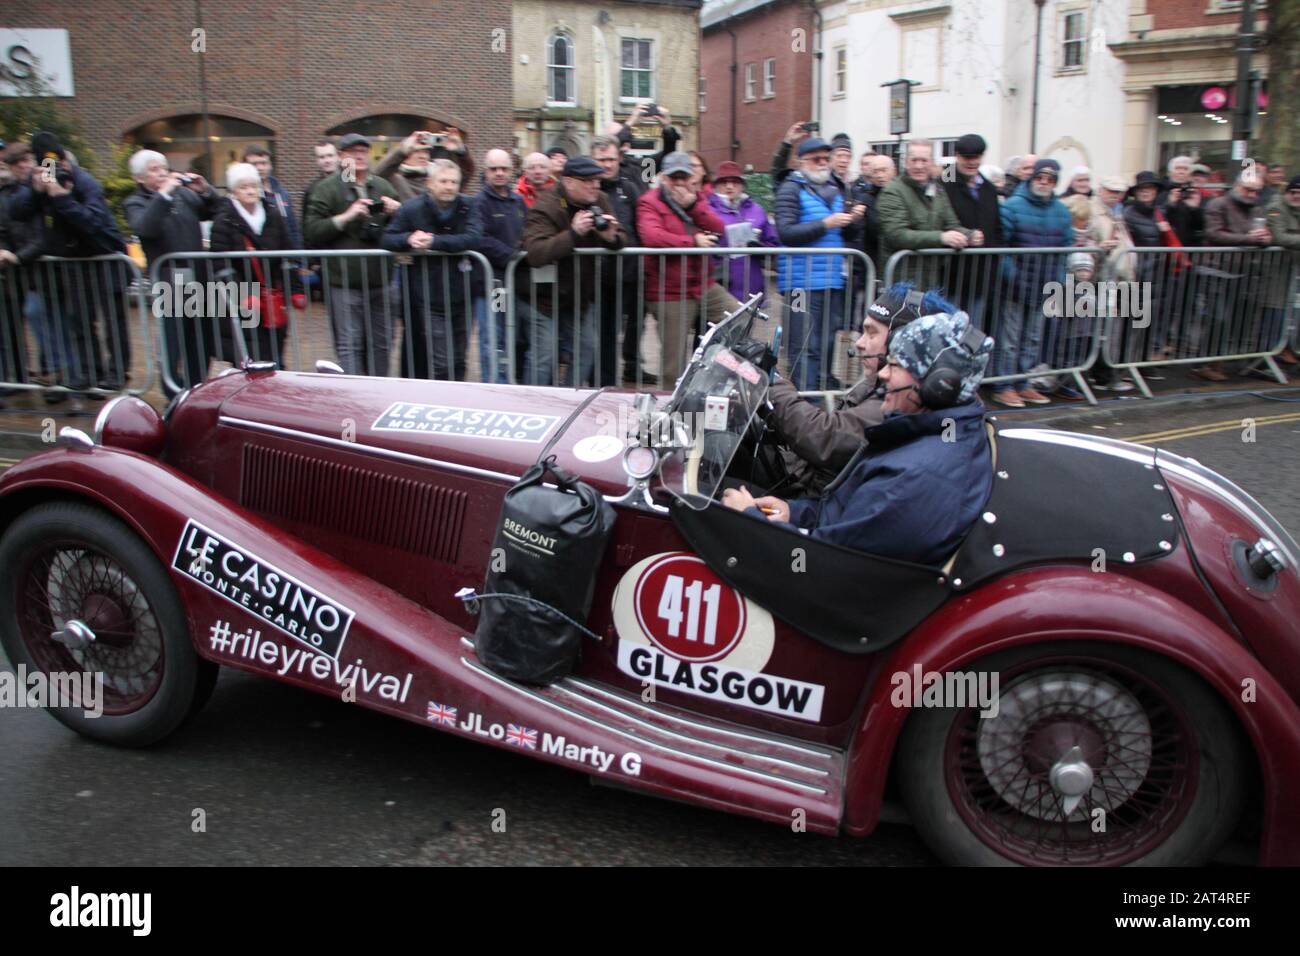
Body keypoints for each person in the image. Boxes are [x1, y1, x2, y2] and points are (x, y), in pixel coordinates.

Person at [722, 309, 993, 566]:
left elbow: (826, 563)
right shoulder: (924, 432)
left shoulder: (912, 477)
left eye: (896, 366)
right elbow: (843, 518)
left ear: (938, 387)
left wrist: (750, 518)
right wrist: (794, 512)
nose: (883, 374)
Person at [765, 282, 957, 497]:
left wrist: (771, 382)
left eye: (872, 333)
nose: (860, 343)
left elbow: (825, 437)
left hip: (817, 501)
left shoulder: (900, 399)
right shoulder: (878, 381)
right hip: (812, 484)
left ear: (903, 341)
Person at [5, 131, 131, 397]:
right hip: (74, 262)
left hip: (105, 257)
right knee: (81, 321)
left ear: (65, 161)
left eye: (57, 163)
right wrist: (36, 191)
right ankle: (90, 373)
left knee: (112, 322)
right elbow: (16, 212)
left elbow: (92, 223)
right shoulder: (38, 180)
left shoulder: (84, 182)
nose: (54, 169)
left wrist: (61, 196)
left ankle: (117, 372)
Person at [123, 148, 222, 390]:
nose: (161, 173)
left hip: (199, 278)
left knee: (201, 339)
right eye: (154, 170)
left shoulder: (184, 195)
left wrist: (206, 190)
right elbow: (145, 228)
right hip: (169, 282)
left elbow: (216, 210)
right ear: (139, 177)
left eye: (163, 168)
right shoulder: (135, 202)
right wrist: (164, 194)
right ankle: (172, 391)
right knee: (173, 341)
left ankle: (197, 387)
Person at [639, 152, 741, 385]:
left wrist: (693, 205)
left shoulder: (697, 198)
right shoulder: (649, 201)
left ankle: (711, 374)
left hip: (702, 285)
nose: (679, 183)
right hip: (670, 292)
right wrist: (692, 242)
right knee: (672, 363)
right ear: (663, 178)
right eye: (673, 177)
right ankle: (669, 412)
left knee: (739, 316)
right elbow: (652, 237)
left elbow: (718, 227)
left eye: (683, 177)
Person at [521, 155, 625, 386]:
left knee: (587, 347)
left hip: (578, 295)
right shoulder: (546, 205)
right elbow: (536, 252)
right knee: (545, 354)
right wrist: (574, 233)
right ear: (568, 182)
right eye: (587, 181)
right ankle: (531, 405)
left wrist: (612, 238)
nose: (595, 186)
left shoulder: (600, 199)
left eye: (596, 180)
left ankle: (570, 401)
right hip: (541, 297)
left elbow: (620, 236)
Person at [303, 132, 401, 376]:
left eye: (363, 151)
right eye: (352, 152)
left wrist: (396, 212)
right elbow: (312, 230)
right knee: (350, 345)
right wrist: (347, 216)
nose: (359, 156)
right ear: (341, 156)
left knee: (382, 344)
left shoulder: (381, 186)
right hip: (344, 282)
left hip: (381, 281)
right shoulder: (328, 189)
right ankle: (353, 392)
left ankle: (378, 391)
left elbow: (402, 228)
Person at [774, 137, 865, 391]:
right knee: (803, 344)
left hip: (832, 280)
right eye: (817, 159)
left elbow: (845, 236)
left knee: (825, 342)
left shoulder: (836, 190)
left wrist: (854, 220)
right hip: (800, 283)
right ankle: (802, 399)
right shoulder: (790, 189)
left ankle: (818, 393)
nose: (823, 164)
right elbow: (786, 233)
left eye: (826, 158)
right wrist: (827, 223)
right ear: (802, 162)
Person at [381, 159, 483, 381]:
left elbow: (474, 237)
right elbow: (387, 238)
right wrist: (408, 238)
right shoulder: (411, 208)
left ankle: (459, 398)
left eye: (454, 182)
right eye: (444, 181)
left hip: (463, 293)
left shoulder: (468, 205)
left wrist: (434, 242)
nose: (449, 186)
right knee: (441, 360)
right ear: (430, 183)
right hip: (429, 295)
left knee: (459, 357)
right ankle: (443, 400)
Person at [992, 158, 1072, 407]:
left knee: (1033, 338)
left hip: (1045, 283)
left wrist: (1058, 279)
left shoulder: (1061, 210)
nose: (1044, 183)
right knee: (1010, 339)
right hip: (1016, 284)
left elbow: (1065, 248)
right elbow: (1001, 246)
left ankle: (1023, 382)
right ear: (1032, 178)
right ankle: (1003, 384)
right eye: (1040, 177)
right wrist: (1012, 276)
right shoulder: (1013, 206)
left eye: (1050, 179)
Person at [209, 162, 298, 365]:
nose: (250, 191)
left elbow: (287, 252)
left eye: (254, 186)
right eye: (244, 187)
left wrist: (295, 288)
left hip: (271, 295)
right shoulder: (224, 221)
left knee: (275, 350)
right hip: (242, 297)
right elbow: (220, 263)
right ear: (234, 191)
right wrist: (243, 295)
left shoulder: (273, 215)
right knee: (248, 354)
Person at [1201, 169, 1279, 380]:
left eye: (1256, 191)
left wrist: (1264, 238)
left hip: (1243, 273)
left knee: (1236, 320)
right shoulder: (1218, 204)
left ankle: (1221, 362)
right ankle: (1207, 364)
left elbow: (1261, 234)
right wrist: (1250, 238)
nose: (1252, 195)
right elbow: (1214, 233)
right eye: (1248, 190)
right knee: (1219, 319)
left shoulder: (1256, 209)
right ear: (1236, 186)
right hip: (1217, 271)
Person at [877, 140, 976, 292]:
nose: (919, 166)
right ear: (906, 162)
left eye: (924, 160)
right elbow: (896, 235)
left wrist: (968, 235)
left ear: (932, 163)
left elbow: (951, 224)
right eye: (914, 160)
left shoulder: (938, 190)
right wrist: (941, 237)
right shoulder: (892, 191)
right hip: (901, 279)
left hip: (931, 277)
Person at [591, 136, 648, 385]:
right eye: (601, 160)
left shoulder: (629, 188)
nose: (607, 164)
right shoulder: (588, 191)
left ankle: (613, 380)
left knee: (621, 331)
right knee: (599, 334)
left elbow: (640, 226)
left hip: (628, 274)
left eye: (611, 159)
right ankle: (599, 382)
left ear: (619, 159)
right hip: (594, 278)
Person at [473, 148, 529, 383]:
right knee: (494, 337)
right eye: (494, 169)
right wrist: (512, 256)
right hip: (493, 284)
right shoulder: (479, 203)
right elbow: (480, 238)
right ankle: (495, 385)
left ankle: (510, 384)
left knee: (513, 336)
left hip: (516, 282)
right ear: (485, 172)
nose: (499, 173)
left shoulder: (518, 201)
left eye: (504, 169)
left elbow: (527, 231)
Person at [941, 133, 1001, 326]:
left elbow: (995, 229)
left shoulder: (989, 189)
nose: (972, 162)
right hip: (950, 273)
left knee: (971, 329)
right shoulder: (944, 181)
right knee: (948, 328)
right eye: (967, 157)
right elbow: (938, 219)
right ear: (957, 156)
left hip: (979, 275)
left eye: (976, 157)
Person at [707, 160, 778, 302]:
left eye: (735, 182)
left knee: (748, 324)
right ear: (716, 185)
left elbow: (773, 243)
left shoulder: (756, 210)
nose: (729, 186)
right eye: (723, 182)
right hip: (719, 283)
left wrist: (761, 249)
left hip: (751, 283)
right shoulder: (706, 210)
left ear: (742, 185)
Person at [377, 129, 474, 202]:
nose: (423, 156)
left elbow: (465, 173)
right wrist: (401, 151)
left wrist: (461, 152)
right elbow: (378, 175)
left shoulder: (439, 174)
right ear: (405, 156)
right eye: (417, 152)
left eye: (426, 152)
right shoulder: (395, 178)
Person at [1264, 175, 1300, 366]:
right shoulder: (1276, 208)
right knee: (1275, 310)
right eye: (1293, 192)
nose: (1296, 196)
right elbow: (1279, 237)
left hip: (1293, 270)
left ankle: (1287, 348)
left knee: (1293, 311)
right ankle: (1271, 353)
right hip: (1276, 270)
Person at [243, 145, 302, 251]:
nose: (260, 168)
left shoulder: (283, 194)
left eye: (264, 163)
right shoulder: (244, 197)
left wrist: (300, 260)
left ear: (270, 165)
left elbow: (293, 229)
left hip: (286, 256)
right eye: (254, 164)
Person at [300, 139, 338, 228]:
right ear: (317, 160)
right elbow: (306, 224)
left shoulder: (349, 183)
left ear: (337, 157)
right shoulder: (311, 190)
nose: (327, 160)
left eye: (330, 155)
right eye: (322, 157)